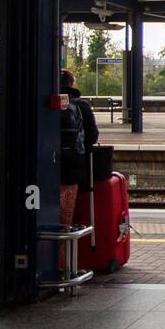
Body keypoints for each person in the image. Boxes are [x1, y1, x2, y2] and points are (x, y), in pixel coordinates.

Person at [59, 69, 100, 254]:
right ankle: (63, 261)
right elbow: (92, 136)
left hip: (45, 168)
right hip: (72, 166)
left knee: (46, 217)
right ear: (72, 84)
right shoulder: (81, 106)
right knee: (65, 218)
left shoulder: (44, 103)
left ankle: (53, 258)